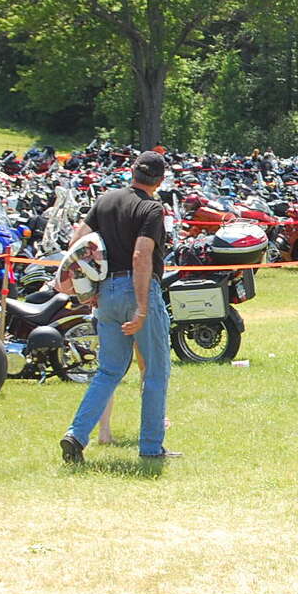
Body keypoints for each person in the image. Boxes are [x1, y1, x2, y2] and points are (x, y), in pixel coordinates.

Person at [59, 150, 176, 463]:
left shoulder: (106, 200)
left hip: (107, 293)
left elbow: (77, 245)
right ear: (160, 180)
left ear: (131, 173)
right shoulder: (152, 208)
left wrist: (88, 290)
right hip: (139, 290)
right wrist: (141, 307)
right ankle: (151, 448)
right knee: (155, 371)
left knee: (108, 371)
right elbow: (141, 256)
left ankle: (76, 434)